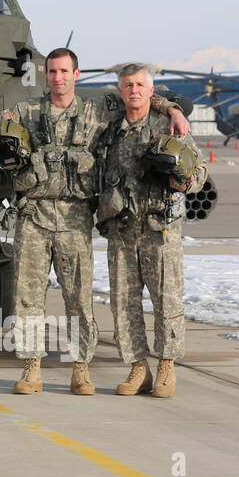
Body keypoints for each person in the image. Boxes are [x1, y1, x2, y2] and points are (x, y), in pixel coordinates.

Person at [0, 48, 189, 396]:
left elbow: (139, 97)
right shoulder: (26, 111)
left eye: (64, 71)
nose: (58, 78)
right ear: (46, 75)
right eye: (52, 72)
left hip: (75, 220)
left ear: (77, 74)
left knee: (79, 301)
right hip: (33, 218)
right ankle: (31, 369)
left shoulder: (98, 108)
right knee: (27, 298)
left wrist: (172, 110)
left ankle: (80, 371)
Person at [97, 63, 207, 399]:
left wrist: (185, 178)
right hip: (122, 231)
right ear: (120, 90)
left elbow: (199, 171)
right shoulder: (109, 126)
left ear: (151, 90)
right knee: (124, 304)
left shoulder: (170, 126)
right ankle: (137, 369)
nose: (134, 90)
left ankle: (166, 369)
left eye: (140, 84)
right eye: (128, 84)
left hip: (161, 231)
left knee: (166, 301)